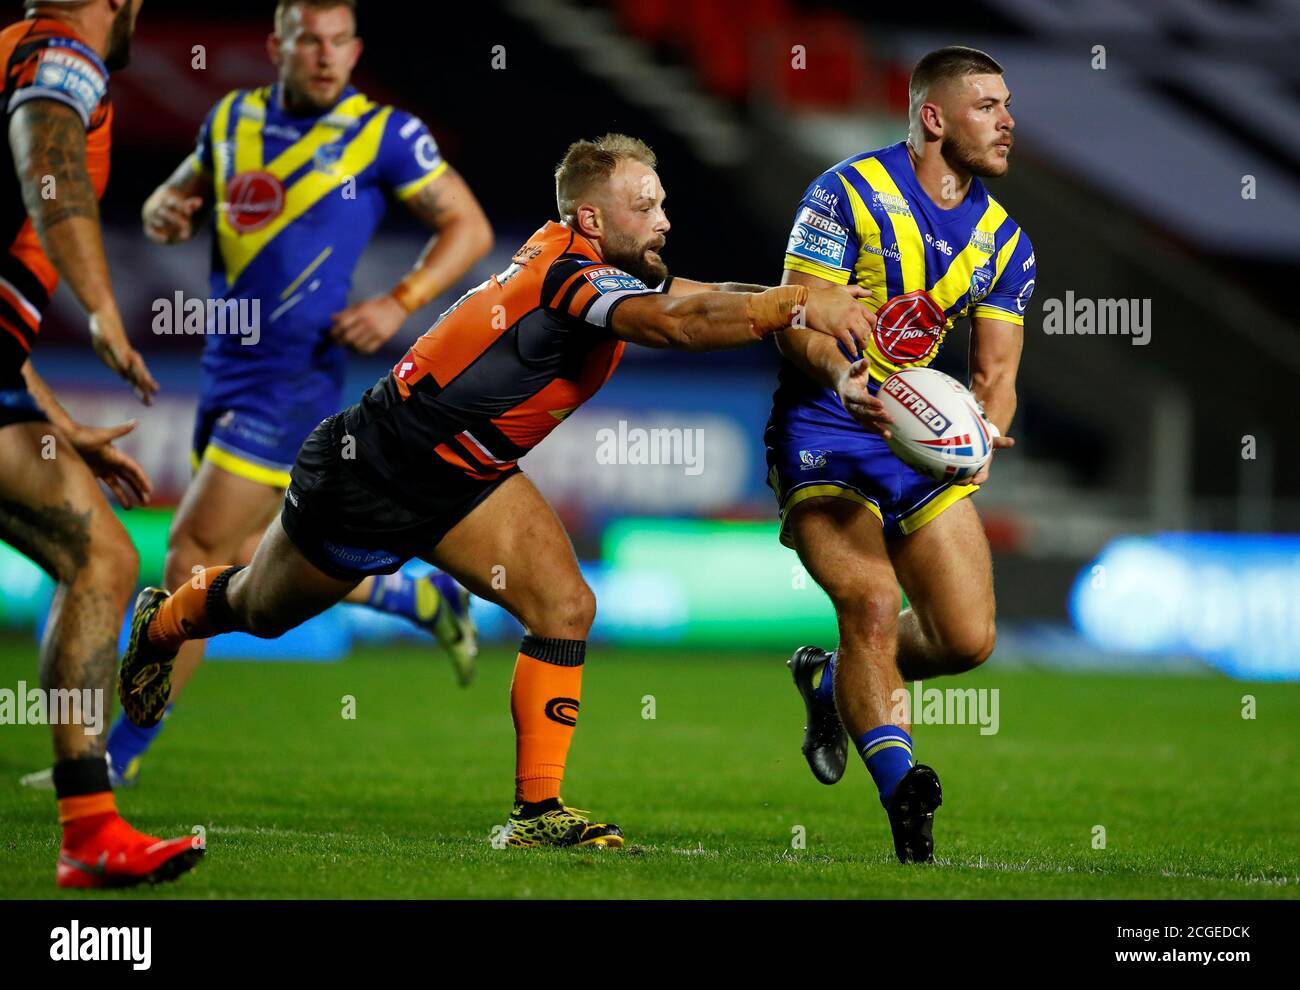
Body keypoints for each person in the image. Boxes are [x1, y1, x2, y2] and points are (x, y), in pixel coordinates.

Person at [116, 133, 872, 849]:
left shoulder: (605, 264)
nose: (663, 221)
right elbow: (676, 323)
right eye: (645, 208)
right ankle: (162, 624)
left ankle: (537, 811)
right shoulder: (571, 274)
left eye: (662, 203)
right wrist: (799, 305)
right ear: (590, 217)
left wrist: (793, 294)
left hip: (466, 479)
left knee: (566, 606)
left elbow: (698, 293)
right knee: (260, 610)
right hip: (374, 471)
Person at [99, 0, 493, 788]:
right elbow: (170, 199)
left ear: (355, 49)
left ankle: (115, 762)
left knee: (192, 553)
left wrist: (397, 299)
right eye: (308, 41)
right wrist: (165, 210)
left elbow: (470, 228)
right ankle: (409, 594)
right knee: (254, 555)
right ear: (275, 45)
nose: (324, 56)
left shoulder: (383, 134)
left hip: (295, 376)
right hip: (225, 370)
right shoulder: (232, 117)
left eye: (339, 41)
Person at [767, 46, 1036, 862]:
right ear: (933, 117)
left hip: (912, 438)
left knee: (965, 639)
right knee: (873, 607)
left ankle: (828, 683)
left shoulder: (1004, 241)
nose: (1007, 120)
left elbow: (995, 377)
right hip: (824, 425)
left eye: (1006, 105)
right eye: (987, 105)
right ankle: (903, 795)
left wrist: (983, 435)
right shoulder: (846, 192)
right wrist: (844, 377)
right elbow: (792, 318)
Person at [0, 0, 203, 888]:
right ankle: (86, 830)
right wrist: (104, 309)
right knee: (101, 562)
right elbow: (52, 169)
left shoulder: (14, 47)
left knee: (103, 560)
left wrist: (58, 423)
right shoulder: (61, 55)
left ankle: (89, 829)